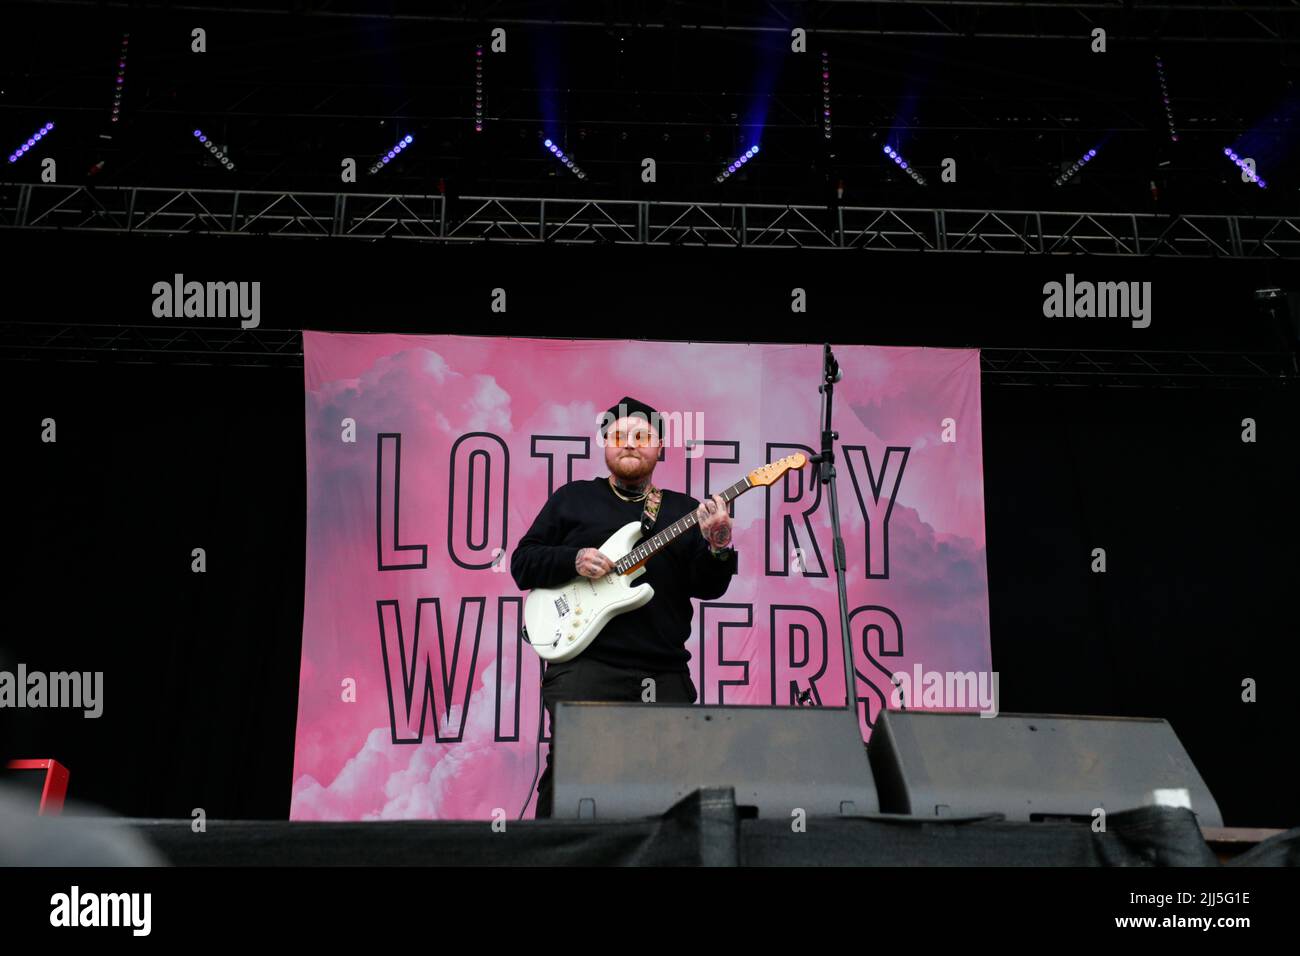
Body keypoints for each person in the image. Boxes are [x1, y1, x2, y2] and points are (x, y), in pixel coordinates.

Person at [511, 396, 738, 817]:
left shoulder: (684, 511)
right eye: (618, 435)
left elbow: (709, 587)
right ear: (604, 445)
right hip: (584, 667)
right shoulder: (572, 499)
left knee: (673, 791)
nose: (629, 443)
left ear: (660, 448)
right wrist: (573, 558)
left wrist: (718, 545)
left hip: (663, 671)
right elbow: (522, 564)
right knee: (571, 783)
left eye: (641, 436)